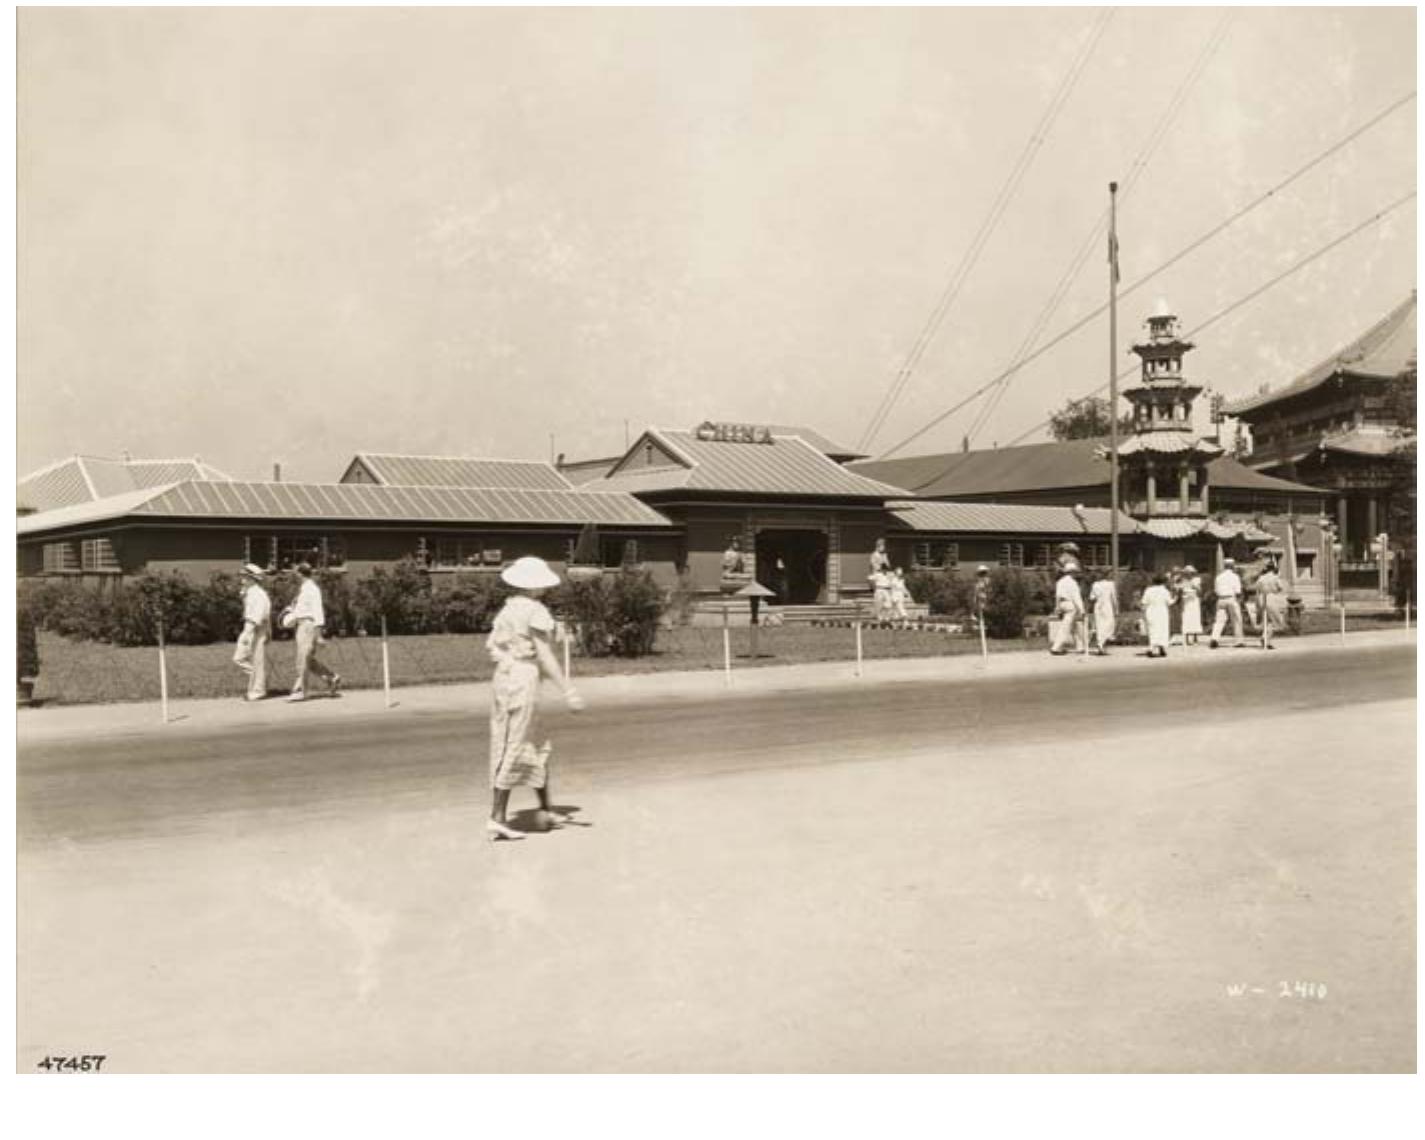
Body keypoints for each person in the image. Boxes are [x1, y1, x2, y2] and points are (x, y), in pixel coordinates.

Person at [486, 556, 585, 842]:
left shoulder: (507, 610)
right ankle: (497, 817)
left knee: (532, 742)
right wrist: (568, 690)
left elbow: (493, 646)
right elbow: (544, 655)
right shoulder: (535, 610)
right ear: (533, 585)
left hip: (503, 678)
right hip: (524, 678)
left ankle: (544, 807)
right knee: (516, 744)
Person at [286, 562, 341, 701]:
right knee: (308, 660)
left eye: (296, 572)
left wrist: (319, 635)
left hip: (308, 626)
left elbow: (317, 612)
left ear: (300, 574)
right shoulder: (304, 589)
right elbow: (301, 608)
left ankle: (300, 691)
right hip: (301, 625)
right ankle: (332, 678)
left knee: (302, 659)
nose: (295, 575)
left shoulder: (312, 589)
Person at [232, 563, 271, 701]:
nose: (242, 579)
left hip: (255, 628)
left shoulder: (258, 594)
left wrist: (248, 633)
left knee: (255, 659)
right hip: (251, 627)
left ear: (252, 579)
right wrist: (243, 595)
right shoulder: (250, 592)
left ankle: (258, 690)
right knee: (240, 658)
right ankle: (260, 683)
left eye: (245, 576)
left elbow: (257, 616)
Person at [1049, 562, 1086, 655]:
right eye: (1075, 572)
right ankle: (1056, 647)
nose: (1076, 574)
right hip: (1070, 605)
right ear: (1071, 572)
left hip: (1062, 603)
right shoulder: (1073, 583)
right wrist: (1082, 610)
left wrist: (1057, 608)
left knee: (1075, 626)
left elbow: (1057, 596)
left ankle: (1080, 647)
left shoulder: (1060, 582)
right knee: (1066, 627)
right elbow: (1076, 597)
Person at [1209, 557, 1246, 649]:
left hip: (1221, 599)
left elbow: (1216, 590)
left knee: (1219, 620)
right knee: (1236, 620)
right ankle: (1239, 641)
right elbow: (1238, 591)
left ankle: (1214, 638)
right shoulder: (1235, 577)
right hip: (1231, 598)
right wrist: (1240, 600)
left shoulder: (1219, 577)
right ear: (1232, 566)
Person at [1255, 558, 1289, 650]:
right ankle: (1265, 638)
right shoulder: (1275, 577)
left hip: (1261, 597)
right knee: (1275, 620)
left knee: (1267, 620)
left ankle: (1266, 639)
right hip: (1271, 597)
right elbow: (1280, 588)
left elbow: (1257, 589)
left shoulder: (1261, 578)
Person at [1142, 573, 1174, 658]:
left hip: (1151, 611)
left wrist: (1143, 613)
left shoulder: (1148, 590)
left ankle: (1152, 648)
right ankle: (1161, 648)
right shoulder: (1165, 591)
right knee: (1162, 630)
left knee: (1153, 630)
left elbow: (1144, 603)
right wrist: (1177, 598)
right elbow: (1170, 602)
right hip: (1162, 612)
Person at [1088, 572, 1118, 655]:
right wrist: (1116, 608)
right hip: (1107, 605)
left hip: (1098, 605)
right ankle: (1105, 640)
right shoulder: (1110, 584)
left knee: (1099, 625)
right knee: (1109, 623)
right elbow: (1113, 597)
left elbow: (1092, 597)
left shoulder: (1095, 585)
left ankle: (1100, 643)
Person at [1179, 565, 1203, 646]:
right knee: (1186, 618)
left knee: (1195, 618)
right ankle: (1186, 638)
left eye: (1190, 573)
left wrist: (1195, 587)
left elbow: (1200, 592)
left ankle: (1195, 638)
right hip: (1186, 601)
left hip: (1194, 600)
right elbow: (1180, 591)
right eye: (1187, 573)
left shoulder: (1196, 580)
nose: (1188, 574)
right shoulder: (1183, 581)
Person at [972, 565, 992, 630]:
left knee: (984, 613)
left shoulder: (987, 580)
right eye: (982, 573)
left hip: (985, 599)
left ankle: (984, 625)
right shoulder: (978, 582)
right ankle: (980, 625)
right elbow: (976, 592)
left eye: (984, 573)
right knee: (981, 614)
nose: (983, 574)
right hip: (981, 600)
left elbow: (989, 590)